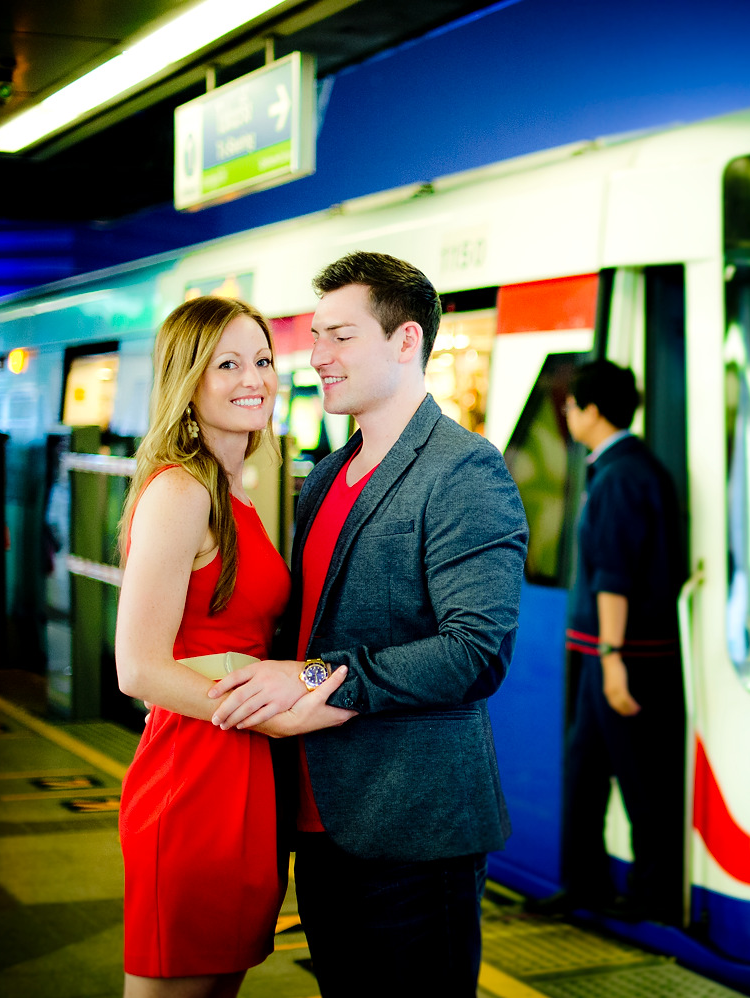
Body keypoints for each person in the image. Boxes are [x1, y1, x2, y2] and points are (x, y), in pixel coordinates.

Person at [206, 251, 528, 995]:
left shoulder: (463, 470)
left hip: (413, 836)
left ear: (406, 341)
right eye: (316, 336)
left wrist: (313, 677)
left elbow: (473, 652)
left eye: (340, 336)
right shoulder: (327, 476)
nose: (316, 356)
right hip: (323, 828)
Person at [115, 296, 349, 997]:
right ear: (188, 381)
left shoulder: (236, 494)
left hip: (245, 775)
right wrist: (275, 709)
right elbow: (138, 668)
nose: (255, 377)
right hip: (193, 776)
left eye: (264, 359)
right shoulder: (182, 492)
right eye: (228, 363)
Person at [535, 360, 685, 924]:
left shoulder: (622, 476)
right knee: (587, 771)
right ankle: (585, 885)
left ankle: (654, 895)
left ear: (592, 411)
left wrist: (612, 659)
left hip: (622, 655)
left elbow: (615, 576)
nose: (568, 415)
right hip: (608, 652)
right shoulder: (623, 467)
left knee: (638, 777)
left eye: (572, 406)